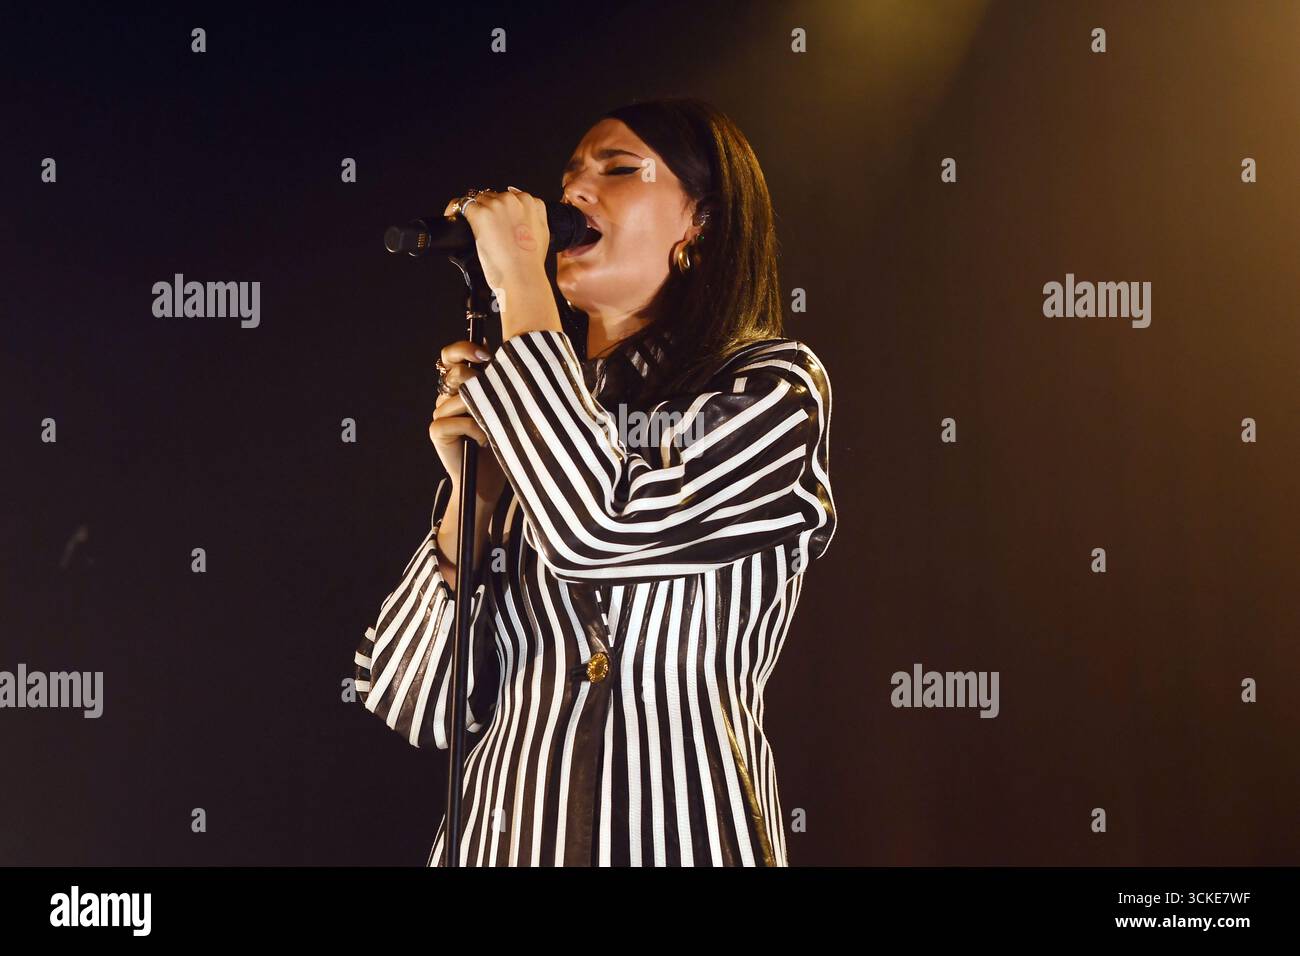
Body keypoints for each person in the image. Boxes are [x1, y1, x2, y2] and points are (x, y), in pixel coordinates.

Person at [353, 97, 836, 866]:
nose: (575, 194)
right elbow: (411, 701)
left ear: (701, 225)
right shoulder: (535, 418)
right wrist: (471, 510)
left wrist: (519, 285)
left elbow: (601, 527)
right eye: (570, 176)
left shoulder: (773, 391)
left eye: (618, 171)